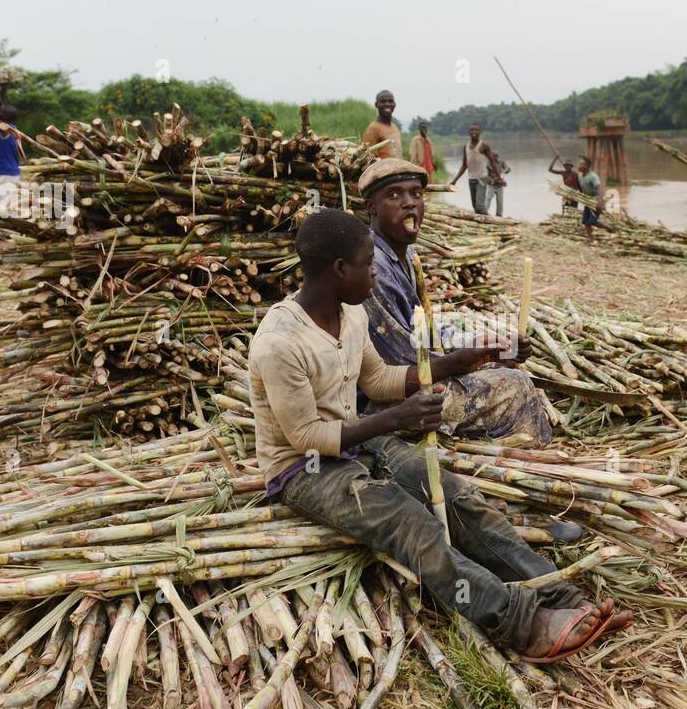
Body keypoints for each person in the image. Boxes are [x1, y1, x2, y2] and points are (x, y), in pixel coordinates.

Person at [245, 207, 629, 661]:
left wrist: (460, 361)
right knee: (410, 523)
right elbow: (307, 437)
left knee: (458, 497)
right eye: (368, 263)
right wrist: (397, 419)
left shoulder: (350, 316)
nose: (375, 271)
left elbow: (379, 380)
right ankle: (515, 622)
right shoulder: (279, 342)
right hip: (302, 470)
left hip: (359, 445)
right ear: (340, 269)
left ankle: (555, 593)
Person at [357, 158, 553, 445]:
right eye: (394, 195)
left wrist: (493, 345)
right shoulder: (374, 268)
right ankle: (533, 455)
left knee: (506, 369)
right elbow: (401, 364)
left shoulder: (407, 256)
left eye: (416, 194)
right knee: (515, 384)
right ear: (371, 207)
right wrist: (473, 359)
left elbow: (425, 333)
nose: (409, 203)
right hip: (382, 405)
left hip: (414, 376)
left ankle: (508, 446)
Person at [0, 85, 24, 208]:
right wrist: (3, 88)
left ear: (5, 118)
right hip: (9, 174)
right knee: (1, 207)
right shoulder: (10, 127)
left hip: (7, 176)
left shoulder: (4, 129)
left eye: (1, 113)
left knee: (0, 209)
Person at [449, 124, 503, 215]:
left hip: (482, 178)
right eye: (472, 130)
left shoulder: (484, 146)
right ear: (469, 132)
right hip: (471, 179)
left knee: (480, 206)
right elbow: (464, 165)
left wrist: (499, 176)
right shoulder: (465, 147)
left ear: (479, 132)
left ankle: (491, 220)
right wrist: (455, 180)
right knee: (475, 207)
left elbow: (492, 162)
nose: (474, 132)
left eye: (476, 130)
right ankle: (483, 224)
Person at [361, 90, 402, 160]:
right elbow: (369, 159)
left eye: (390, 101)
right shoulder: (373, 129)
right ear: (376, 105)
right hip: (383, 170)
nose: (387, 104)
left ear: (394, 104)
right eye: (383, 101)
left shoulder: (394, 127)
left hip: (398, 169)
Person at [576, 155, 605, 239]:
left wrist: (600, 202)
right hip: (588, 201)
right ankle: (591, 239)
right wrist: (581, 195)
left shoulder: (593, 176)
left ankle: (609, 228)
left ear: (587, 166)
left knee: (593, 222)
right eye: (579, 164)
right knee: (585, 222)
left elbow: (600, 189)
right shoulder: (580, 175)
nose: (578, 166)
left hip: (595, 200)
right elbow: (582, 187)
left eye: (581, 165)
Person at [481, 148, 509, 217]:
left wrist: (503, 172)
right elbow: (484, 175)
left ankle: (499, 215)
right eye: (494, 156)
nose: (495, 158)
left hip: (500, 185)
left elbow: (507, 169)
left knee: (500, 201)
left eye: (496, 156)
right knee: (488, 199)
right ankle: (485, 213)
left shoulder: (501, 162)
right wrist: (492, 180)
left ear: (498, 156)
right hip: (492, 185)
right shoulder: (488, 164)